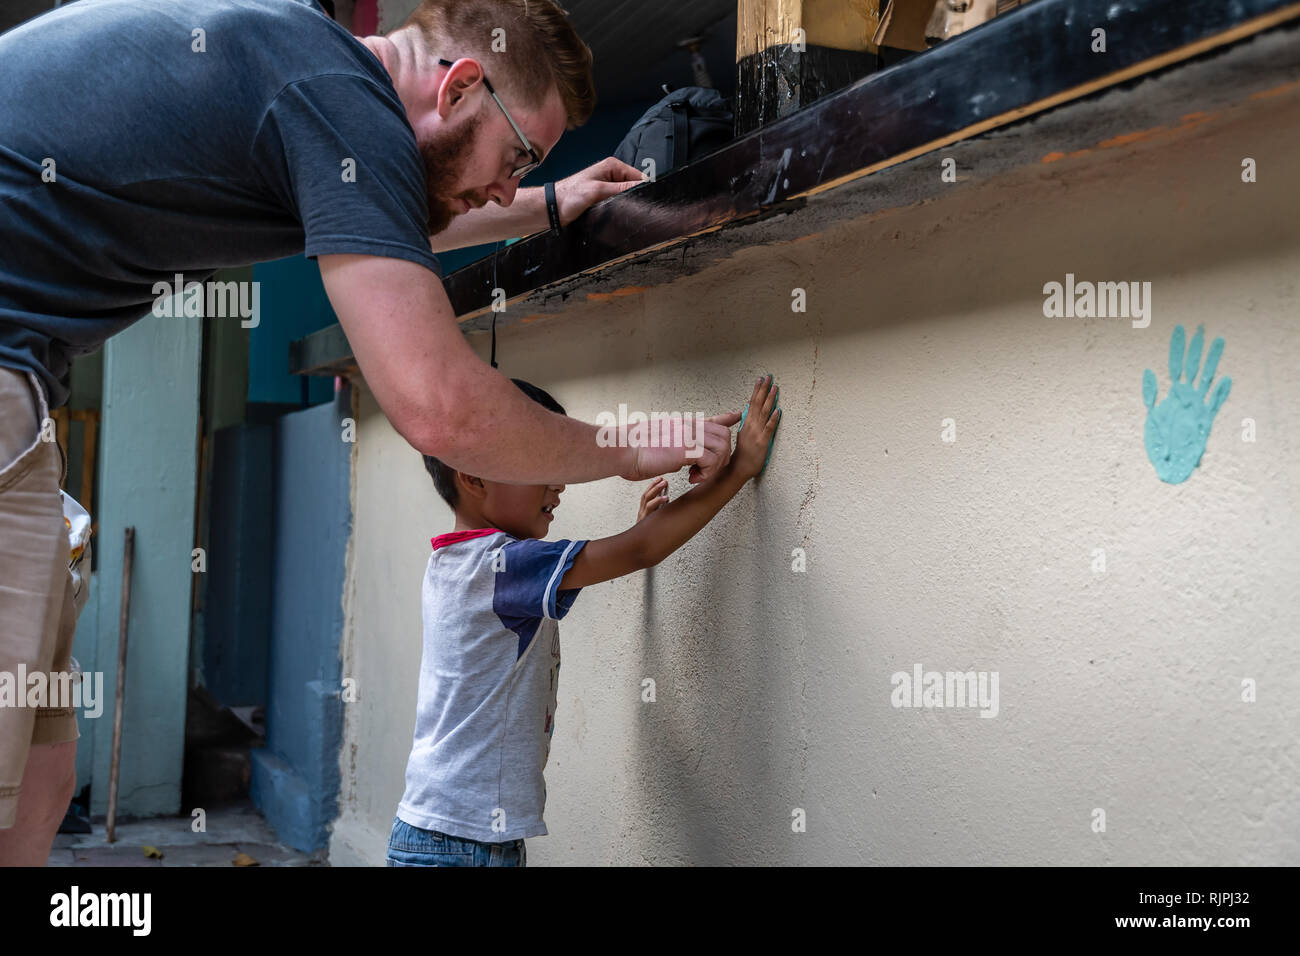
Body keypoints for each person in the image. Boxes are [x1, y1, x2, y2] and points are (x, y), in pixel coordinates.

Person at [0, 0, 741, 865]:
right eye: (521, 156)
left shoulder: (318, 90)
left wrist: (551, 204)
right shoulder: (337, 97)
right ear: (463, 85)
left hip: (24, 391)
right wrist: (630, 447)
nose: (508, 184)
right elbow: (441, 408)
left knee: (40, 786)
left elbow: (395, 212)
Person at [386, 375, 780, 866]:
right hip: (464, 843)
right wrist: (737, 469)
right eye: (542, 462)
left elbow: (632, 549)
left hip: (450, 832)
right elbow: (638, 552)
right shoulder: (500, 566)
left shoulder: (460, 562)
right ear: (474, 475)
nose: (560, 482)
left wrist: (645, 530)